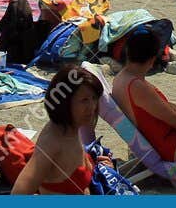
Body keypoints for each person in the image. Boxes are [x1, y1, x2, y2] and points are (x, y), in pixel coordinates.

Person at [111, 27, 176, 163]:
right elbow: (175, 120)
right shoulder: (137, 86)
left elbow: (167, 107)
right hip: (172, 147)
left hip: (168, 138)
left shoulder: (123, 78)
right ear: (153, 58)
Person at [12, 64, 110, 195]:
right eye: (84, 100)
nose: (92, 107)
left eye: (94, 98)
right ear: (64, 102)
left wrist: (100, 167)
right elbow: (19, 192)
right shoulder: (52, 142)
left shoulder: (71, 129)